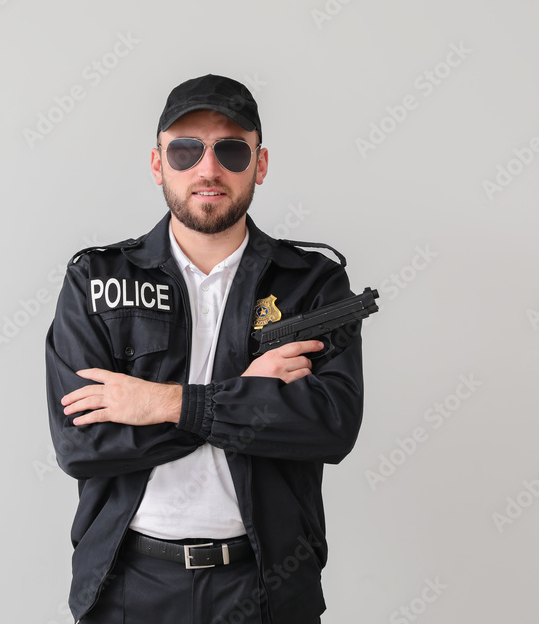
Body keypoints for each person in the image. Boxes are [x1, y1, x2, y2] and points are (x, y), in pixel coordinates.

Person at [45, 74, 365, 624]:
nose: (208, 169)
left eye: (232, 150)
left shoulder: (312, 285)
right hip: (128, 585)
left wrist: (163, 403)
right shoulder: (97, 280)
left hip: (266, 586)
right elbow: (84, 445)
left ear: (260, 165)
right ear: (157, 163)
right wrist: (249, 398)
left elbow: (329, 426)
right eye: (186, 150)